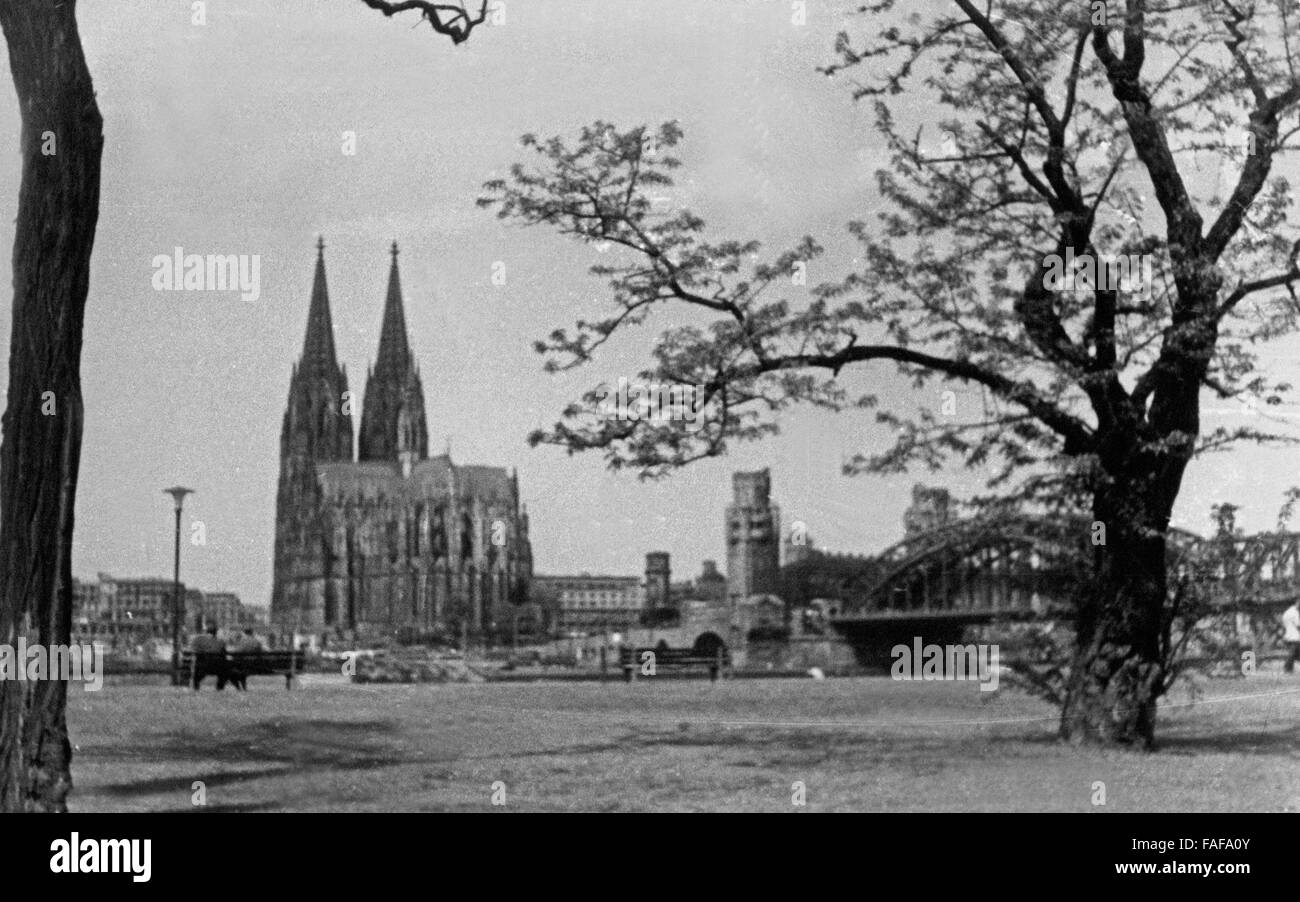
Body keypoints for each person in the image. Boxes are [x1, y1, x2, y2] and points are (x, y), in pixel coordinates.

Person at [190, 625, 230, 690]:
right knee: (224, 667)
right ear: (216, 632)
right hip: (218, 667)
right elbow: (224, 653)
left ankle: (196, 686)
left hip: (203, 666)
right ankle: (219, 687)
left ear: (206, 631)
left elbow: (195, 650)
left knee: (198, 664)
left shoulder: (200, 639)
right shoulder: (221, 641)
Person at [1283, 601, 1300, 674]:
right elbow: (1298, 625)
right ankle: (1287, 668)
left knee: (1294, 654)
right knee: (1292, 654)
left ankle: (1289, 669)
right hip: (1295, 637)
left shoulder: (1287, 612)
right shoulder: (1295, 613)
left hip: (1288, 636)